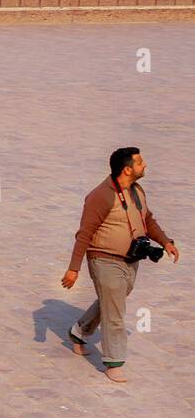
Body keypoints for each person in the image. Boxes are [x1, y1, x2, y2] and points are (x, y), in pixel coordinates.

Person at [62, 148, 179, 383]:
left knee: (111, 301)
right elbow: (84, 234)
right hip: (104, 259)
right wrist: (73, 268)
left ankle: (79, 332)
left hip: (131, 261)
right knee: (115, 312)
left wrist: (165, 242)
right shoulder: (101, 196)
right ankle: (114, 362)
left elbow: (148, 220)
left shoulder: (137, 191)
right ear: (127, 169)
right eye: (140, 162)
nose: (144, 165)